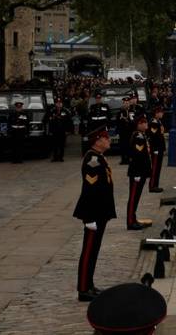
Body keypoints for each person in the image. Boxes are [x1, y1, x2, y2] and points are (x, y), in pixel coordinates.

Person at [73, 126, 116, 301]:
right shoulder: (92, 159)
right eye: (106, 138)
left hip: (100, 211)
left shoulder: (99, 157)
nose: (109, 140)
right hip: (94, 213)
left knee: (94, 250)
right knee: (88, 251)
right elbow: (90, 190)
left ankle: (89, 284)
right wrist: (89, 218)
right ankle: (83, 289)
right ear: (97, 141)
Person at [126, 115, 152, 230]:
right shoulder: (137, 136)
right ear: (139, 125)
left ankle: (133, 218)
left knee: (136, 197)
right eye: (143, 123)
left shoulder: (142, 135)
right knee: (133, 198)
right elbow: (138, 155)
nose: (146, 124)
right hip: (137, 171)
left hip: (141, 171)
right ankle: (130, 222)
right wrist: (137, 173)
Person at [46, 96, 72, 162]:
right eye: (57, 103)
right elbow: (49, 121)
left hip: (62, 130)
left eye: (60, 103)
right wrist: (50, 130)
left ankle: (61, 157)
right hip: (54, 130)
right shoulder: (52, 111)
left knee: (61, 145)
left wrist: (68, 130)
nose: (59, 104)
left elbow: (69, 122)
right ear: (55, 104)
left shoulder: (66, 111)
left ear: (62, 103)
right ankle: (55, 157)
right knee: (54, 144)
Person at [147, 106, 166, 192]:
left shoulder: (158, 122)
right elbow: (154, 136)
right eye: (160, 112)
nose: (162, 114)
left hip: (159, 147)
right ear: (156, 113)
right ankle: (152, 186)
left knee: (158, 168)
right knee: (155, 168)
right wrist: (156, 149)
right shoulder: (153, 123)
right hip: (156, 148)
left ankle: (156, 185)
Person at [116, 96, 134, 165]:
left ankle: (129, 158)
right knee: (123, 145)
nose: (126, 104)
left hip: (130, 131)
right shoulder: (120, 112)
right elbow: (118, 122)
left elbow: (133, 120)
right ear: (123, 104)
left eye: (127, 103)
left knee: (130, 145)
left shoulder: (132, 111)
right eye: (125, 103)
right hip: (123, 131)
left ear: (129, 103)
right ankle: (123, 159)